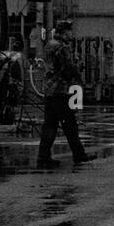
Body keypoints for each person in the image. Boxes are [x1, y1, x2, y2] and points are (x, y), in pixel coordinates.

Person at [37, 20, 90, 167]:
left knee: (50, 125)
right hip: (61, 90)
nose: (71, 34)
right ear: (64, 32)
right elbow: (68, 68)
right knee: (70, 124)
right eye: (69, 32)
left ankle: (43, 157)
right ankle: (79, 154)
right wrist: (78, 68)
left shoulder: (50, 45)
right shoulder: (61, 47)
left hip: (51, 90)